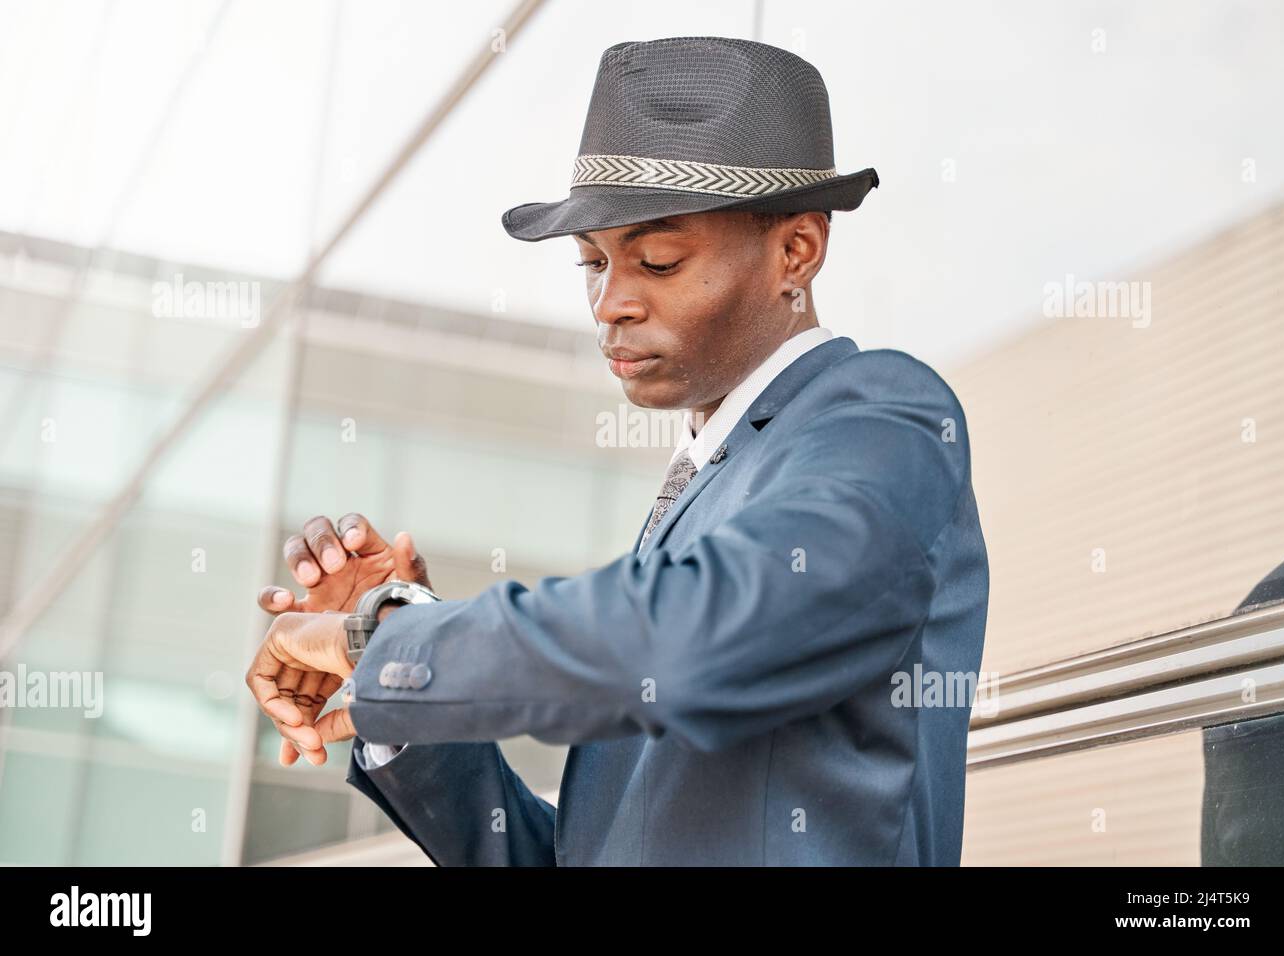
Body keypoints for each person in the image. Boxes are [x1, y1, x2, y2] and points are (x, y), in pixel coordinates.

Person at [246, 36, 990, 866]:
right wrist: (392, 695)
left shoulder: (883, 416)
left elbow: (693, 632)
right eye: (591, 263)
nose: (610, 304)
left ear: (797, 251)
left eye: (658, 260)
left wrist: (393, 636)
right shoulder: (705, 488)